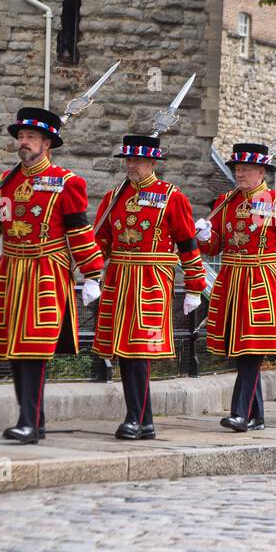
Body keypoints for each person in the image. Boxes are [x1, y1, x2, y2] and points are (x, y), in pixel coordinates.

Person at [0, 106, 105, 444]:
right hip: (11, 268)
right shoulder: (2, 182)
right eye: (21, 137)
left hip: (45, 269)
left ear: (46, 144)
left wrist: (92, 274)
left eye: (31, 137)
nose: (23, 142)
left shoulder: (68, 183)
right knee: (13, 347)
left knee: (33, 348)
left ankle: (28, 420)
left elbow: (79, 232)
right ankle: (31, 421)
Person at [92, 133, 208, 440]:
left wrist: (195, 285)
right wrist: (90, 272)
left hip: (150, 280)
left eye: (138, 161)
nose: (132, 166)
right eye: (129, 160)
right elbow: (101, 239)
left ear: (152, 162)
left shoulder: (172, 196)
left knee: (138, 351)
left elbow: (186, 243)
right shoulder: (114, 196)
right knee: (123, 352)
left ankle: (139, 418)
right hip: (118, 279)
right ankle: (141, 419)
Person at [197, 142, 276, 432]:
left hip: (260, 282)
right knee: (241, 351)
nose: (239, 174)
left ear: (261, 171)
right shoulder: (225, 202)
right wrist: (203, 236)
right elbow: (217, 246)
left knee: (251, 349)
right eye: (237, 169)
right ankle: (256, 416)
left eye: (246, 169)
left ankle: (239, 413)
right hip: (230, 281)